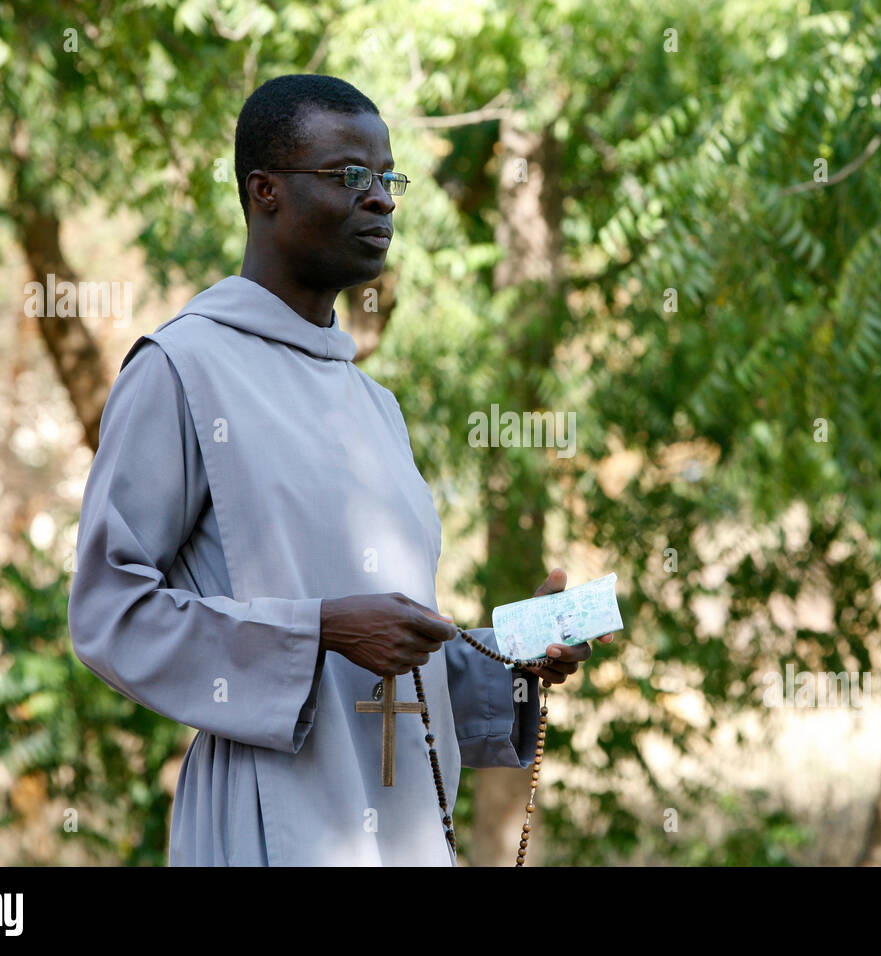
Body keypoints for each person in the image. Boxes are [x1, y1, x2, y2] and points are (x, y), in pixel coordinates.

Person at [67, 73, 614, 865]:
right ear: (265, 192)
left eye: (388, 178)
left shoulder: (373, 404)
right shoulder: (183, 368)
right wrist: (320, 628)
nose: (382, 200)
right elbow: (108, 613)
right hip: (270, 815)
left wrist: (509, 657)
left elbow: (387, 669)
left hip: (405, 821)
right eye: (349, 176)